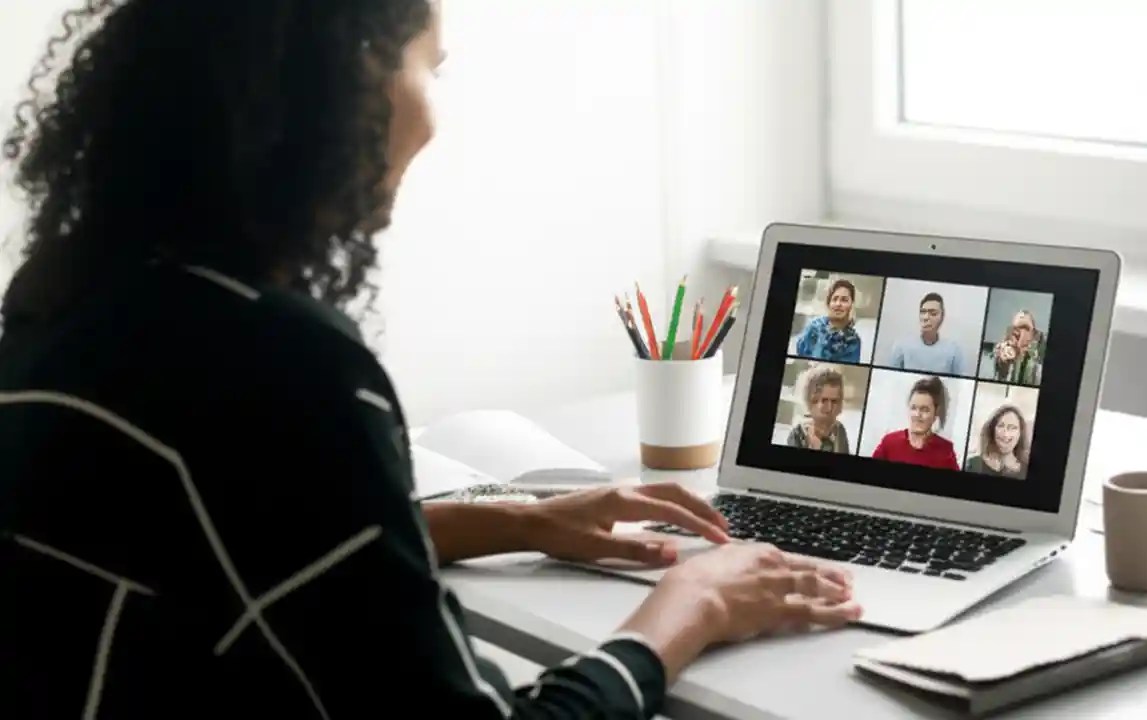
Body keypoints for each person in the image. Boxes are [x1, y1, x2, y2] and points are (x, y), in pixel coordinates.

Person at [0, 3, 862, 718]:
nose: (434, 115)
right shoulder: (279, 368)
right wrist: (690, 610)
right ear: (342, 85)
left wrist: (516, 519)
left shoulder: (66, 292)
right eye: (430, 67)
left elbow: (234, 543)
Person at [870, 376, 960, 470]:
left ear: (936, 412)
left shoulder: (945, 450)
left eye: (924, 410)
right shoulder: (889, 443)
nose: (917, 414)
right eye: (913, 408)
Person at [887, 292, 965, 375]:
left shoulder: (954, 350)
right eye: (923, 312)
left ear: (942, 317)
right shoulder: (901, 345)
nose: (926, 317)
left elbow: (959, 382)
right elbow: (891, 378)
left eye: (933, 313)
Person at [794, 279, 861, 363]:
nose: (838, 304)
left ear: (852, 305)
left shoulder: (853, 341)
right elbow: (801, 355)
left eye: (844, 300)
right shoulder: (814, 327)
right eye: (835, 299)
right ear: (829, 303)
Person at [786, 368, 852, 453]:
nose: (829, 408)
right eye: (824, 401)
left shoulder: (839, 430)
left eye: (834, 401)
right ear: (811, 401)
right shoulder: (797, 435)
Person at [964, 405, 1031, 479]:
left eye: (1013, 428)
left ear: (1020, 433)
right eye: (1001, 426)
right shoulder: (973, 464)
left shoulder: (1027, 470)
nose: (1006, 434)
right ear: (992, 430)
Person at [991, 310, 1043, 385]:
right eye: (1016, 328)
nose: (1019, 332)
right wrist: (1003, 359)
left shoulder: (1038, 350)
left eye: (1025, 328)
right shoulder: (1005, 346)